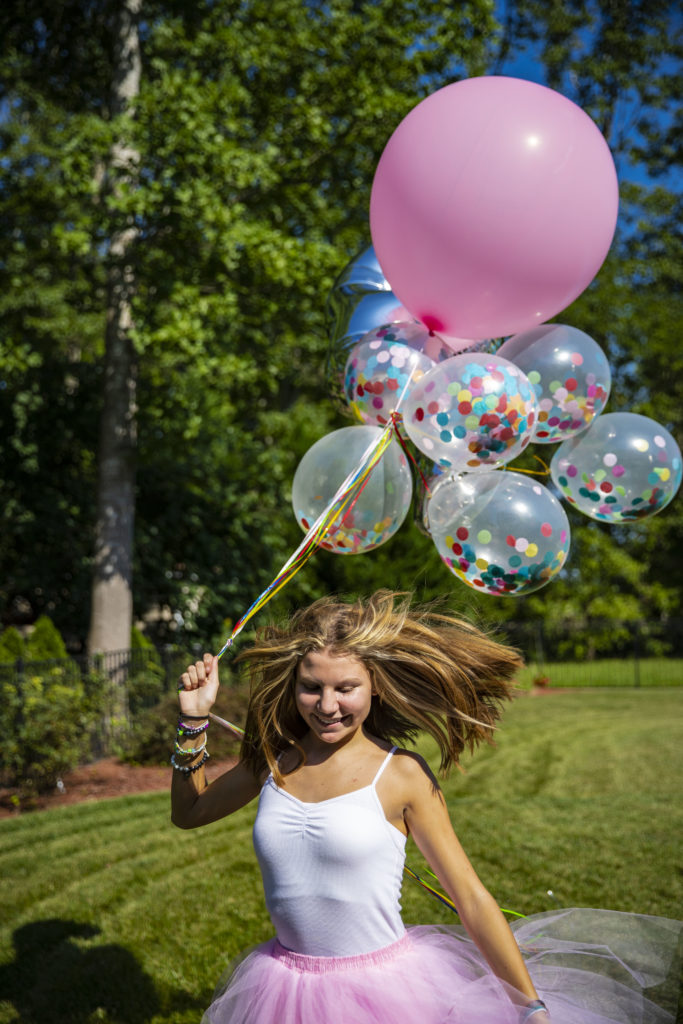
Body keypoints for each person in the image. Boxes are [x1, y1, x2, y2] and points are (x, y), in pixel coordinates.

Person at [171, 591, 679, 1024]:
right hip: (284, 987)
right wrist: (194, 722)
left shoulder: (402, 775)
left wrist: (531, 1009)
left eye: (346, 688)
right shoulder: (274, 760)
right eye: (312, 687)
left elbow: (471, 898)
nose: (326, 705)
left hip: (385, 992)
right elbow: (189, 813)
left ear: (375, 687)